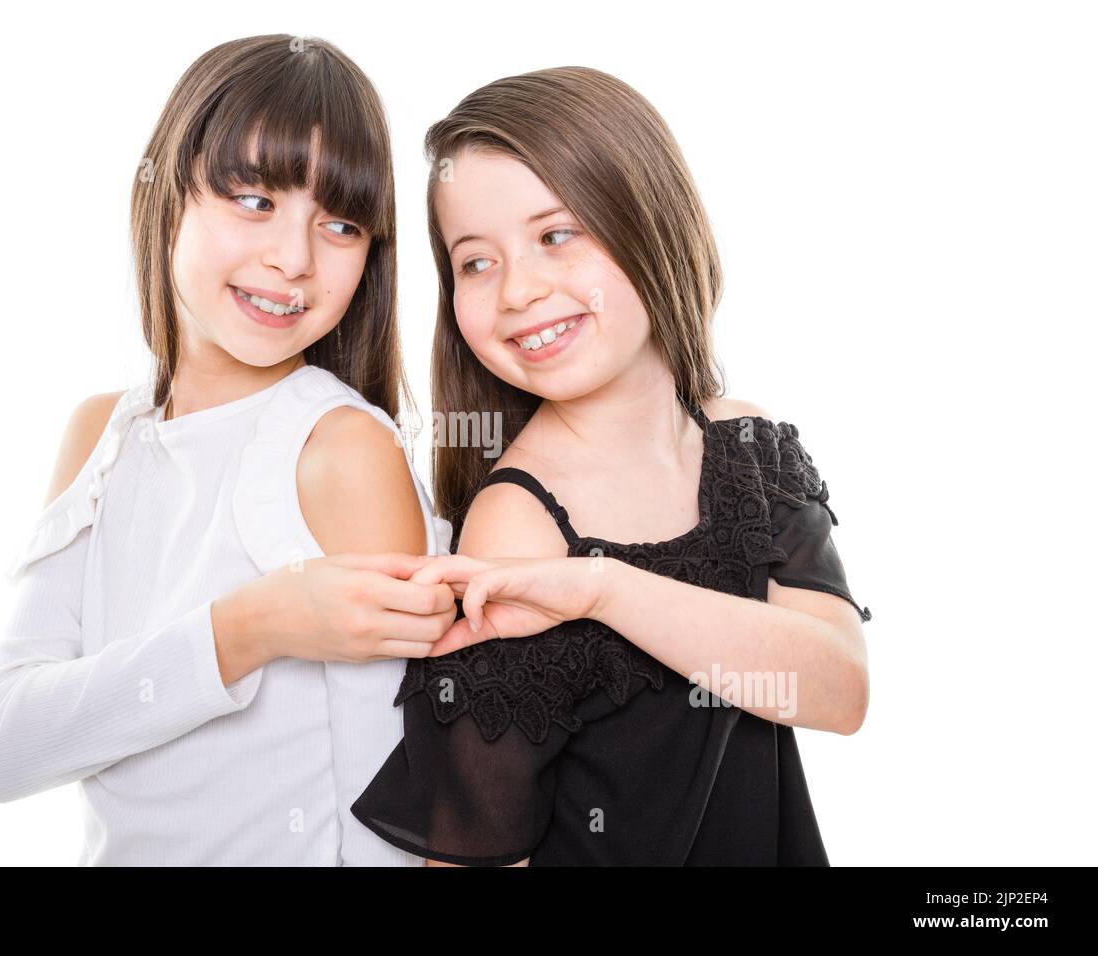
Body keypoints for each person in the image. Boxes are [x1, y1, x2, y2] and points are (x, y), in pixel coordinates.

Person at [351, 66, 873, 866]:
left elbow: (837, 691)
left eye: (556, 235)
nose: (519, 289)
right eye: (476, 262)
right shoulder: (517, 522)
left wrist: (607, 588)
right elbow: (478, 851)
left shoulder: (748, 446)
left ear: (650, 223)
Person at [0, 35, 456, 866]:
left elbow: (392, 819)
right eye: (255, 200)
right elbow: (7, 747)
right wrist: (252, 627)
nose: (294, 259)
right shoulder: (103, 434)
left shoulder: (339, 451)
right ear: (167, 193)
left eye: (339, 224)